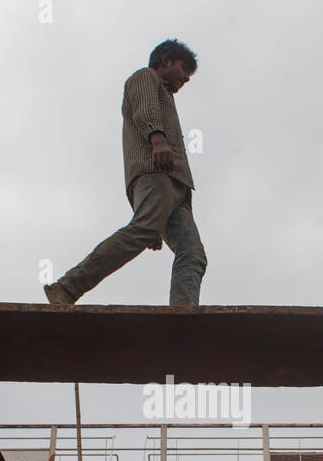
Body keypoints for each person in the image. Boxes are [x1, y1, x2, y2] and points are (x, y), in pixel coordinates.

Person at [44, 39, 207, 307]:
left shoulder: (166, 95)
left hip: (176, 184)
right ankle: (68, 287)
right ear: (165, 60)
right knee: (143, 228)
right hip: (157, 170)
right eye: (184, 70)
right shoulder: (145, 77)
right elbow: (146, 110)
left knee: (193, 254)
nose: (185, 79)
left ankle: (183, 311)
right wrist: (158, 140)